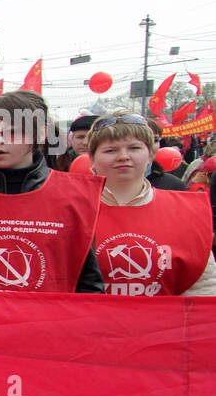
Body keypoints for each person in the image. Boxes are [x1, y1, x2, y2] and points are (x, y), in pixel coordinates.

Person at [0, 90, 104, 292]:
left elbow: (88, 285)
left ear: (41, 133)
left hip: (47, 321)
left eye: (11, 131)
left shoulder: (77, 195)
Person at [87, 113, 215, 296]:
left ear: (150, 155)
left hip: (167, 323)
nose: (123, 157)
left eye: (134, 148)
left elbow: (204, 288)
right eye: (111, 150)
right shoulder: (71, 211)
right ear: (92, 158)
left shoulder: (186, 212)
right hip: (89, 322)